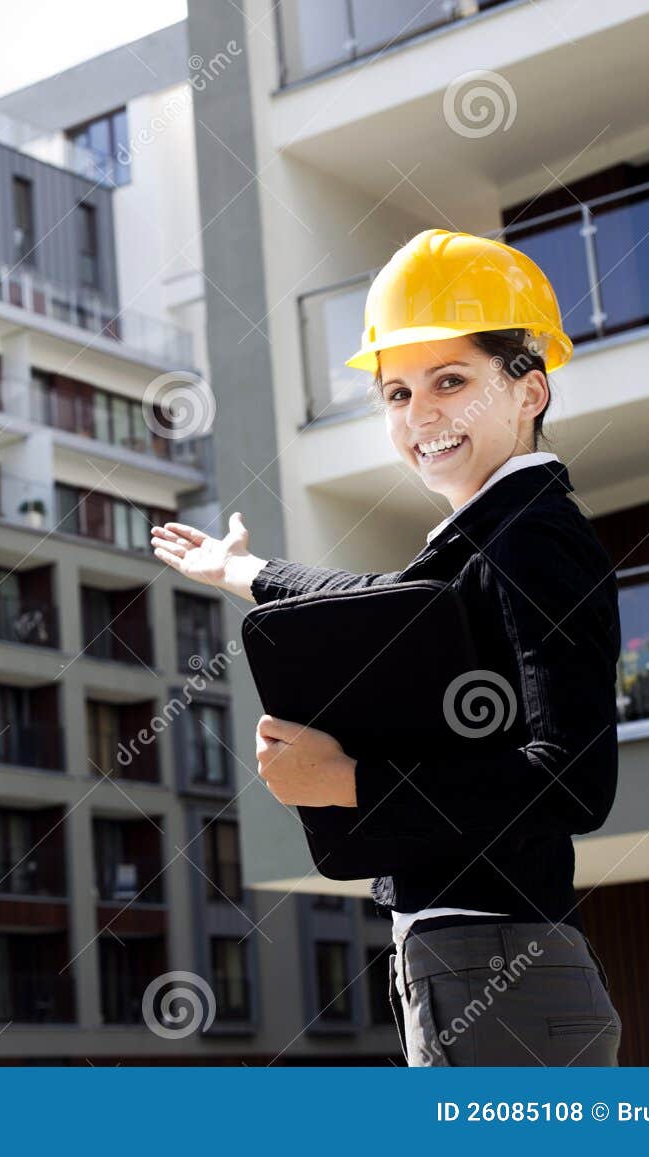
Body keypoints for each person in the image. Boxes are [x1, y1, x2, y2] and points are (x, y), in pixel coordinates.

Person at [152, 229, 624, 1066]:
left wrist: (349, 783)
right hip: (484, 959)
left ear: (529, 390)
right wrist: (244, 572)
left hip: (495, 964)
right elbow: (378, 597)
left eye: (452, 381)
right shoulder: (492, 535)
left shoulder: (531, 539)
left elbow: (570, 778)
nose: (421, 414)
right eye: (397, 391)